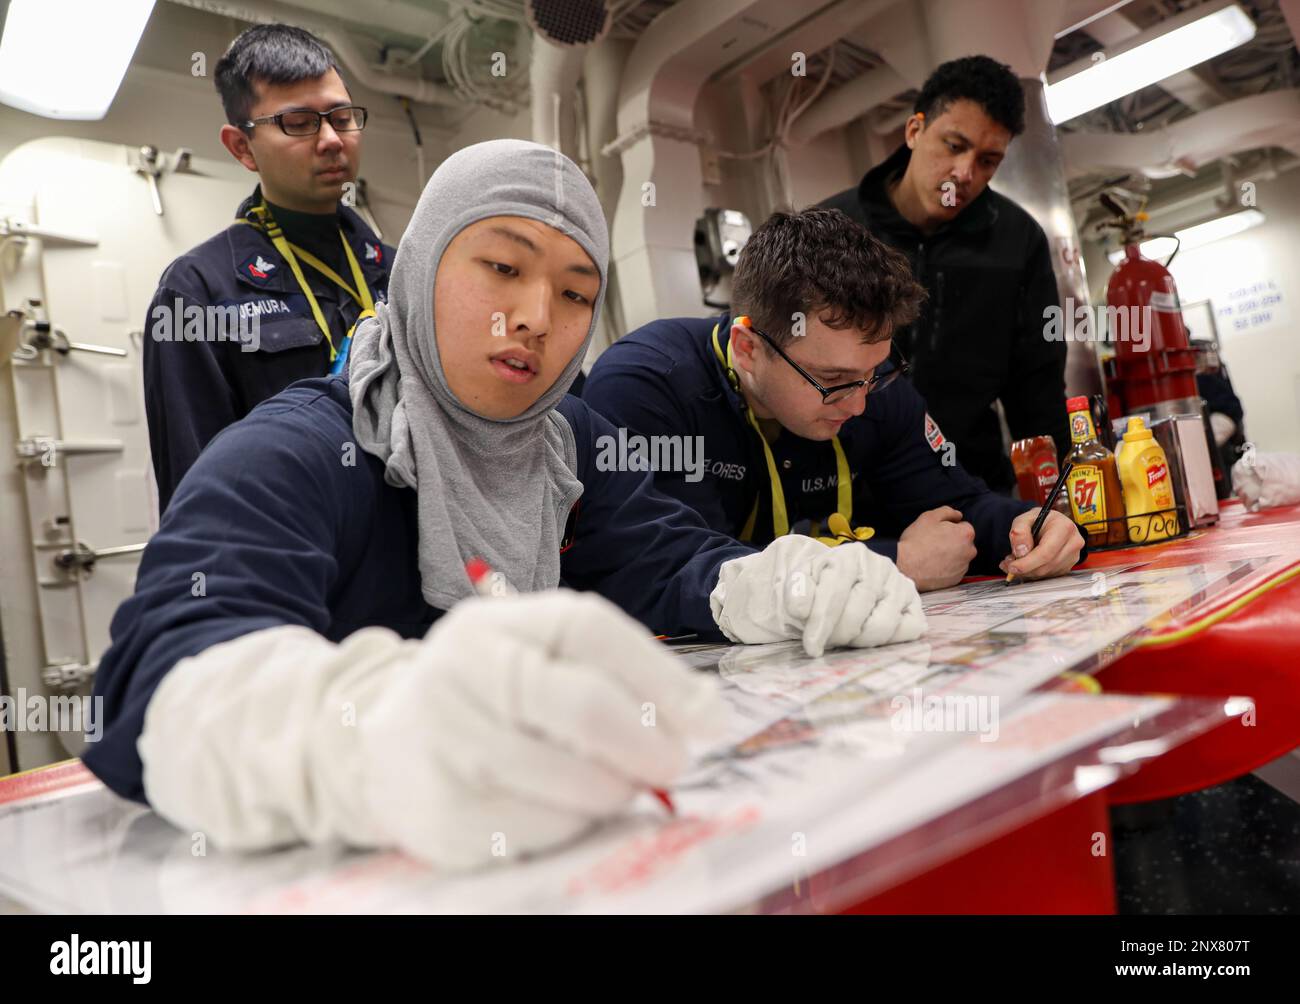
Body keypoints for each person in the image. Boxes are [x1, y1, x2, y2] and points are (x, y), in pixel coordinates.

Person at [84, 140, 927, 871]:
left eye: (573, 293)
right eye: (502, 267)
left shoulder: (565, 439)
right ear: (420, 265)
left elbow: (665, 557)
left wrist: (792, 582)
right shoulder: (299, 453)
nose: (533, 318)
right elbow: (156, 681)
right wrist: (367, 740)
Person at [583, 208, 1083, 591]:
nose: (859, 404)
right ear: (748, 348)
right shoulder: (646, 386)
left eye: (873, 373)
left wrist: (1026, 528)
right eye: (833, 379)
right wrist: (891, 565)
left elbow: (956, 505)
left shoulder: (871, 383)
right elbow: (676, 570)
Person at [144, 24, 393, 510]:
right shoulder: (197, 293)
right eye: (298, 122)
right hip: (296, 561)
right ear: (242, 147)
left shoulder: (404, 272)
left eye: (341, 117)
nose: (331, 140)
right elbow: (198, 492)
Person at [818, 55, 1068, 493]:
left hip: (971, 492)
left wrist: (1058, 504)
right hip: (846, 493)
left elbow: (1037, 393)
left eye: (989, 160)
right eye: (954, 145)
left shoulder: (1017, 241)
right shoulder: (830, 230)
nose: (965, 174)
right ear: (914, 130)